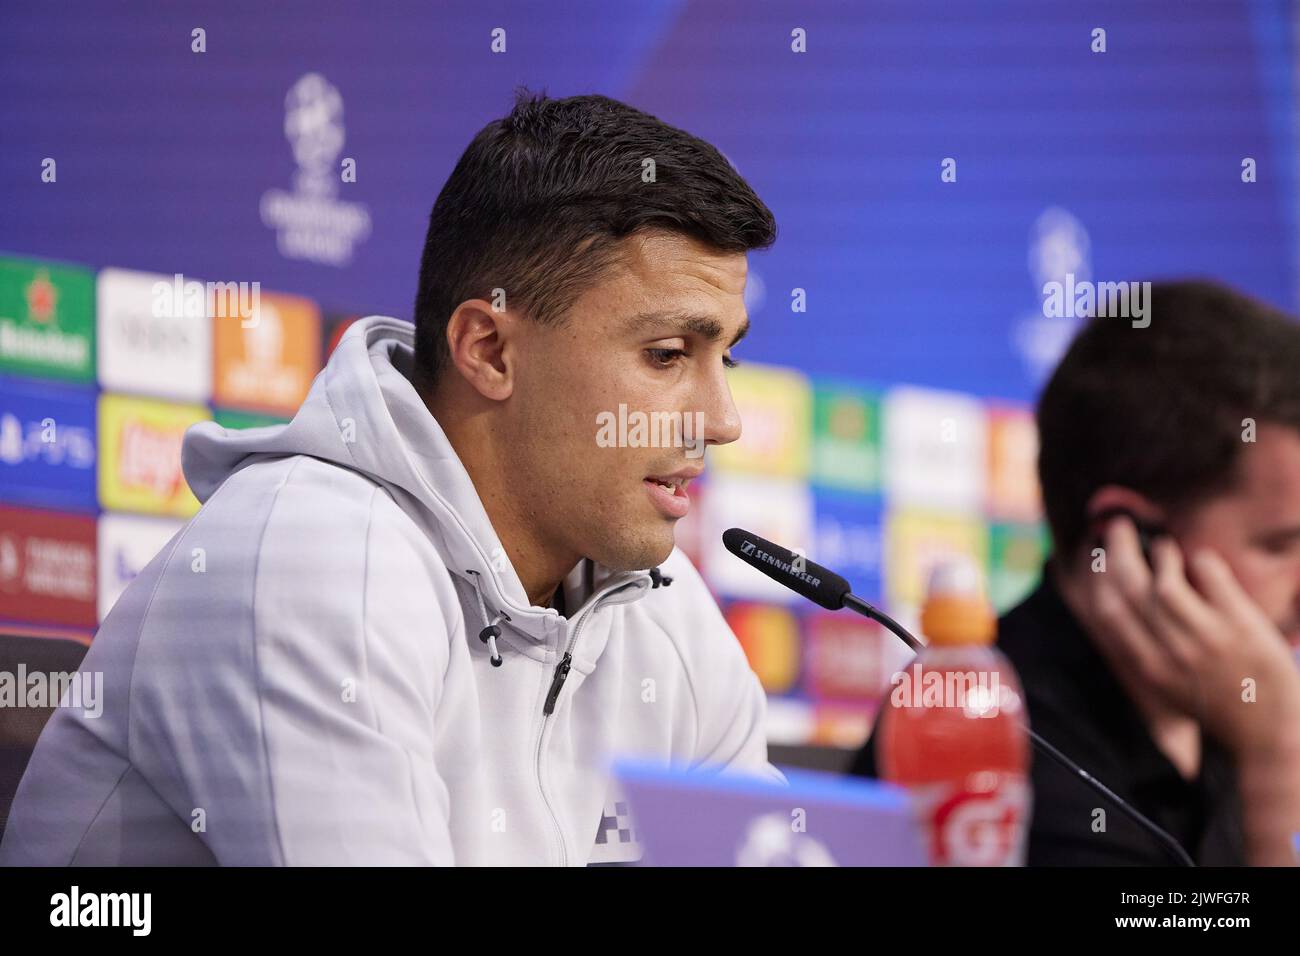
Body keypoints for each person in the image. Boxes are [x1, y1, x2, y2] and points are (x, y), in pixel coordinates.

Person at [0, 91, 781, 866]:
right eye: (668, 355)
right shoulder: (314, 560)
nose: (722, 419)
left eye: (729, 358)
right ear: (489, 350)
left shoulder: (667, 615)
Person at [852, 280, 1300, 865]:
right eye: (1281, 545)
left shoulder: (1233, 716)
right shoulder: (993, 748)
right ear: (1128, 539)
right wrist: (1278, 764)